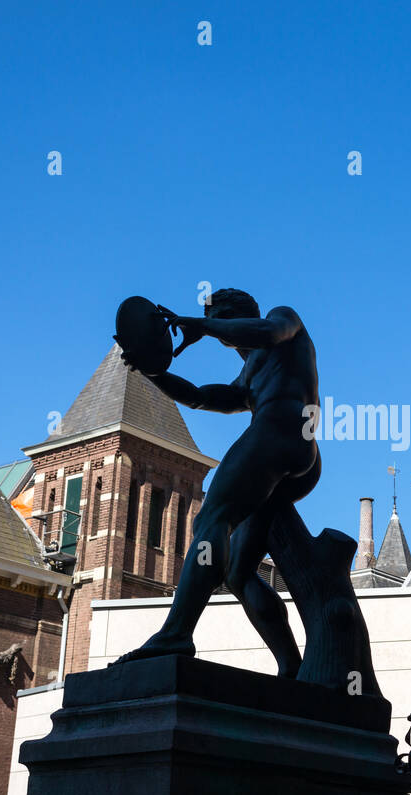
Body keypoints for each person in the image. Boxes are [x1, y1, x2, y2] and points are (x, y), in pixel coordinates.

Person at [113, 288, 319, 678]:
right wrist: (153, 372)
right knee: (238, 570)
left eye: (223, 318)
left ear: (238, 315)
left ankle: (176, 634)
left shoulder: (282, 317)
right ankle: (292, 665)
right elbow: (202, 397)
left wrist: (205, 325)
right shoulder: (250, 371)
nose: (222, 333)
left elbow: (269, 332)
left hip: (279, 433)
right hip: (296, 453)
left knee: (209, 521)